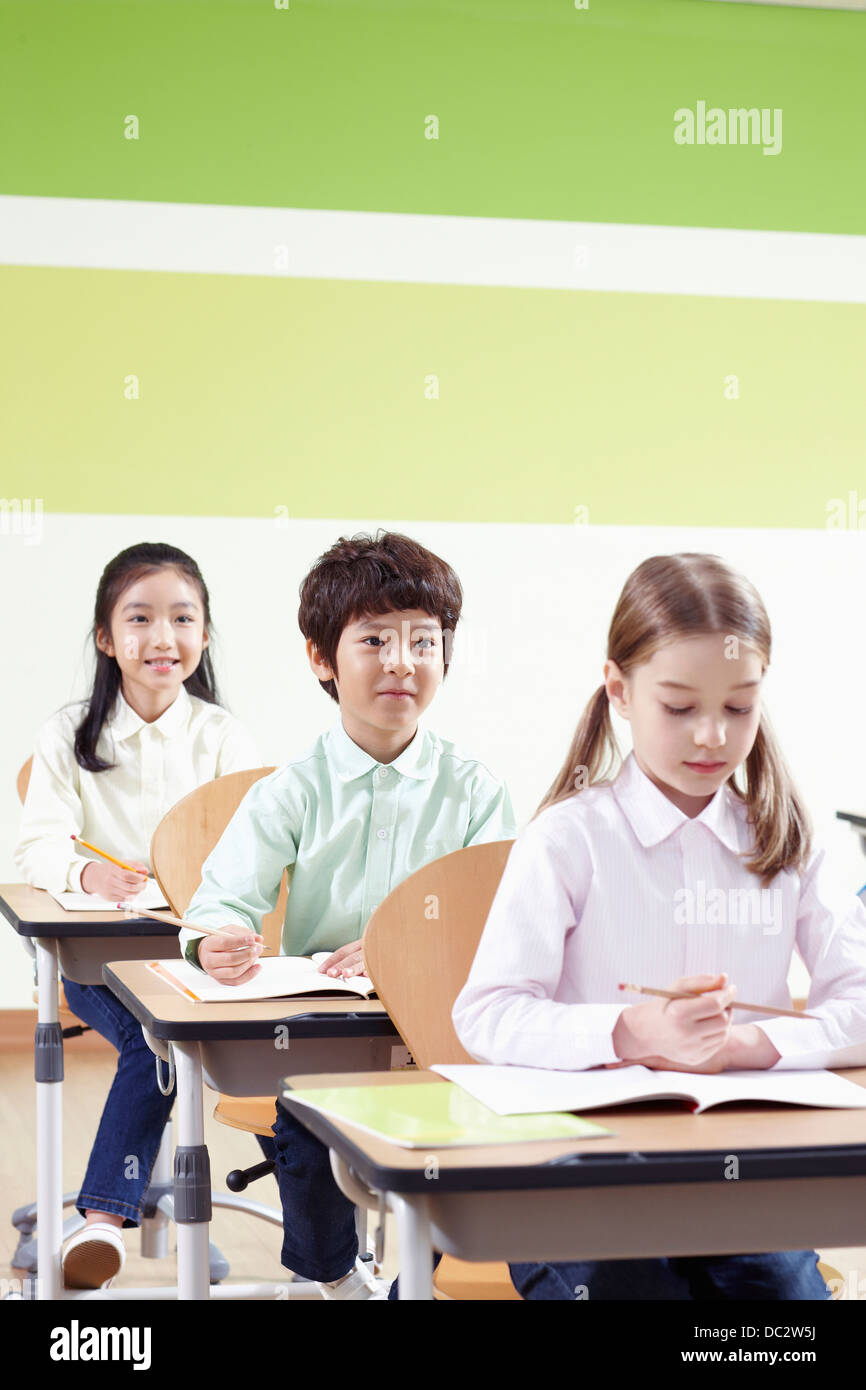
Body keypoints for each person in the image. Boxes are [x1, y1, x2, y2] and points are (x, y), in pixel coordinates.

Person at [453, 551, 866, 1301]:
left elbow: (861, 1004)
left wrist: (744, 1046)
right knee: (629, 1288)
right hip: (575, 1175)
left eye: (739, 708)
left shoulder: (794, 840)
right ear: (619, 688)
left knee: (784, 1304)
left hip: (739, 1174)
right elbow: (486, 1013)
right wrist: (632, 1033)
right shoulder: (568, 839)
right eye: (679, 708)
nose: (712, 736)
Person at [180, 529, 517, 1299]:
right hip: (324, 1033)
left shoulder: (475, 789)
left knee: (458, 1144)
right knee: (300, 1130)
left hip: (438, 1036)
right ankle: (330, 1278)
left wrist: (404, 947)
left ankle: (414, 1282)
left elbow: (500, 913)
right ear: (321, 658)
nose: (402, 661)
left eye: (423, 641)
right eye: (374, 639)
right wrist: (217, 945)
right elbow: (216, 906)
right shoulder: (293, 789)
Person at [15, 542, 258, 1289]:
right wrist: (89, 872)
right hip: (95, 956)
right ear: (105, 637)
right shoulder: (67, 735)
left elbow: (253, 852)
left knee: (172, 1040)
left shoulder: (223, 738)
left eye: (183, 618)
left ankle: (103, 1221)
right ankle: (104, 1222)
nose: (163, 638)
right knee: (157, 1044)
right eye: (141, 618)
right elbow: (35, 849)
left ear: (205, 635)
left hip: (193, 953)